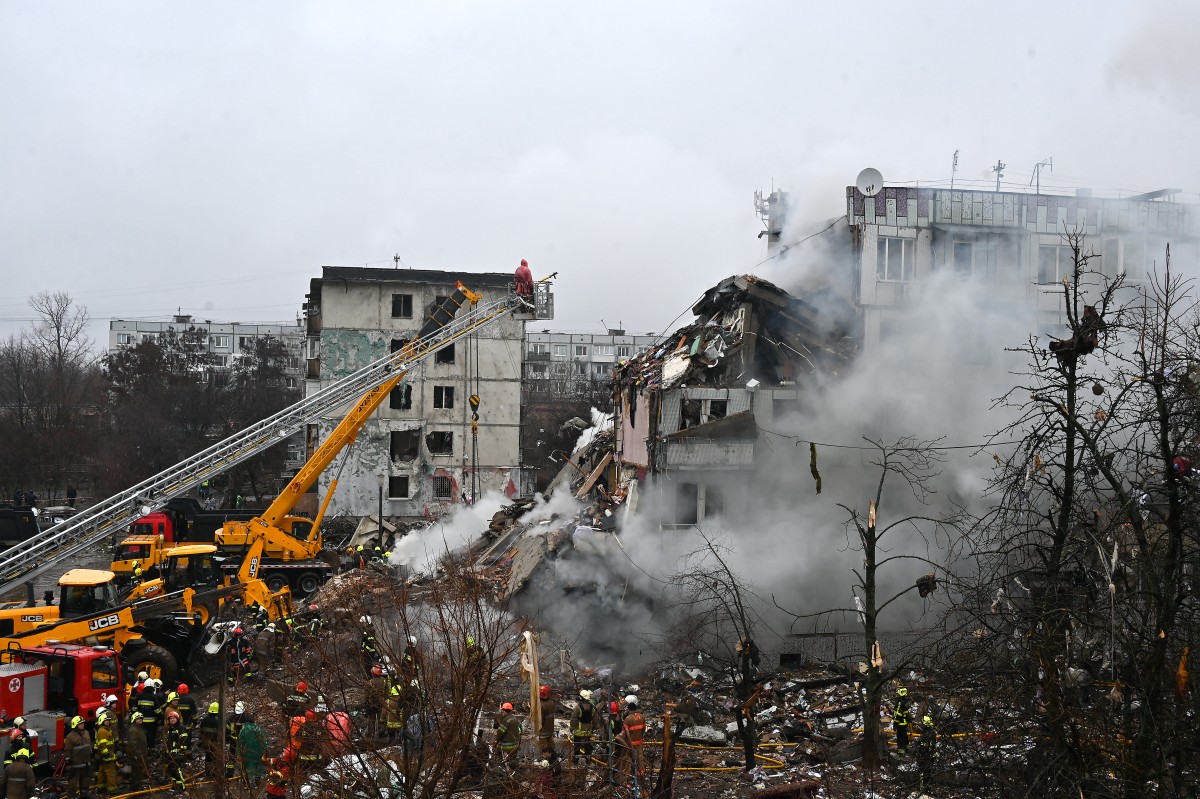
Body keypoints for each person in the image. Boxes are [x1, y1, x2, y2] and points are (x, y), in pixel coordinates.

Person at [617, 695, 646, 783]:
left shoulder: (627, 719)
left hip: (630, 743)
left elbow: (625, 733)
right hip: (639, 742)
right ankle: (641, 774)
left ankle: (627, 777)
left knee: (628, 761)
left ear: (628, 709)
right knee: (640, 758)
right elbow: (644, 730)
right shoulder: (642, 717)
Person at [63, 716, 92, 799]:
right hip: (76, 764)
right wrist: (68, 761)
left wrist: (91, 753)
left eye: (83, 723)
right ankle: (71, 796)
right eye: (80, 724)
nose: (82, 725)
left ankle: (84, 795)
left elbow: (89, 745)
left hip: (86, 762)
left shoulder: (86, 733)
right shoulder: (70, 736)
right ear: (75, 725)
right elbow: (67, 750)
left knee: (86, 780)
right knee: (73, 782)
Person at [163, 710, 189, 793]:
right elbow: (168, 742)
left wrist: (182, 750)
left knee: (177, 770)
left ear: (177, 719)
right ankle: (175, 786)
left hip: (178, 753)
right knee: (171, 770)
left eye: (174, 718)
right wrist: (165, 752)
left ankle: (182, 787)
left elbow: (185, 740)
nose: (172, 720)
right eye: (170, 718)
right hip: (171, 754)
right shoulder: (170, 729)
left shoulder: (180, 728)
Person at [236, 714, 267, 782]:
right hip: (258, 752)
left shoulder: (243, 730)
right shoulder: (259, 729)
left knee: (245, 768)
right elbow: (264, 742)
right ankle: (257, 780)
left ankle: (246, 783)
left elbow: (240, 742)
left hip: (247, 752)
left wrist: (238, 753)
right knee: (257, 766)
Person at [93, 714, 119, 795]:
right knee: (111, 773)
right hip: (107, 756)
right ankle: (112, 790)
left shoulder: (106, 729)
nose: (107, 722)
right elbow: (101, 745)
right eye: (105, 720)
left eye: (108, 720)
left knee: (102, 772)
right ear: (101, 721)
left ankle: (101, 788)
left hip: (106, 755)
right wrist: (107, 754)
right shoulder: (102, 731)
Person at [570, 689, 596, 765]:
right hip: (588, 731)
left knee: (577, 747)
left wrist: (571, 728)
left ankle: (575, 762)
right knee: (587, 747)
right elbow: (595, 719)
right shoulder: (593, 708)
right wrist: (592, 728)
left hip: (578, 731)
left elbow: (574, 719)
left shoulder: (578, 708)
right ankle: (588, 760)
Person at [135, 678, 162, 749]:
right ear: (153, 687)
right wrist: (160, 719)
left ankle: (142, 750)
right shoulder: (153, 697)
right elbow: (157, 711)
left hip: (140, 721)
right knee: (151, 737)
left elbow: (134, 709)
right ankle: (151, 750)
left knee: (140, 736)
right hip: (151, 723)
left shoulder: (139, 696)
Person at [125, 712, 149, 790]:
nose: (140, 720)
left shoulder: (139, 728)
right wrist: (136, 754)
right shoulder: (133, 730)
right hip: (136, 756)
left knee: (139, 772)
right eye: (138, 719)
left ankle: (138, 786)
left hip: (140, 755)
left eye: (141, 718)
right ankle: (135, 788)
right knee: (136, 773)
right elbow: (132, 744)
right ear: (134, 720)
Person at [198, 701, 223, 775]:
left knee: (208, 756)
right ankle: (215, 773)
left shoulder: (204, 720)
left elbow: (201, 731)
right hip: (215, 743)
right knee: (216, 758)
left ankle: (208, 771)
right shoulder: (218, 721)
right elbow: (223, 732)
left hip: (206, 742)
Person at [495, 701, 522, 765]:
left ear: (504, 711)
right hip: (514, 747)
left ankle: (501, 770)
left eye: (502, 711)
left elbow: (500, 733)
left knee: (500, 760)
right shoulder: (515, 719)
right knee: (512, 763)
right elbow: (521, 731)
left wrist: (496, 738)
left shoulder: (506, 720)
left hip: (505, 747)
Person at [915, 714, 938, 789]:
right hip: (930, 755)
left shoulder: (927, 734)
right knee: (928, 772)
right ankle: (927, 786)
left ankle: (923, 788)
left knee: (923, 771)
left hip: (925, 755)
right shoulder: (932, 732)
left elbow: (924, 746)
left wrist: (917, 743)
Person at [537, 685, 557, 752]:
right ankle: (553, 757)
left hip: (543, 731)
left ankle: (545, 759)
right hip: (550, 729)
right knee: (551, 744)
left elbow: (540, 720)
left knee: (543, 747)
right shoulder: (551, 703)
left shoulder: (541, 706)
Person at [893, 686, 911, 754]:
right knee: (904, 735)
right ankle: (906, 747)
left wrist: (895, 723)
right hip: (905, 722)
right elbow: (906, 713)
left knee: (900, 736)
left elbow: (898, 714)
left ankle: (901, 750)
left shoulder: (900, 703)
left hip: (900, 723)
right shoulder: (906, 702)